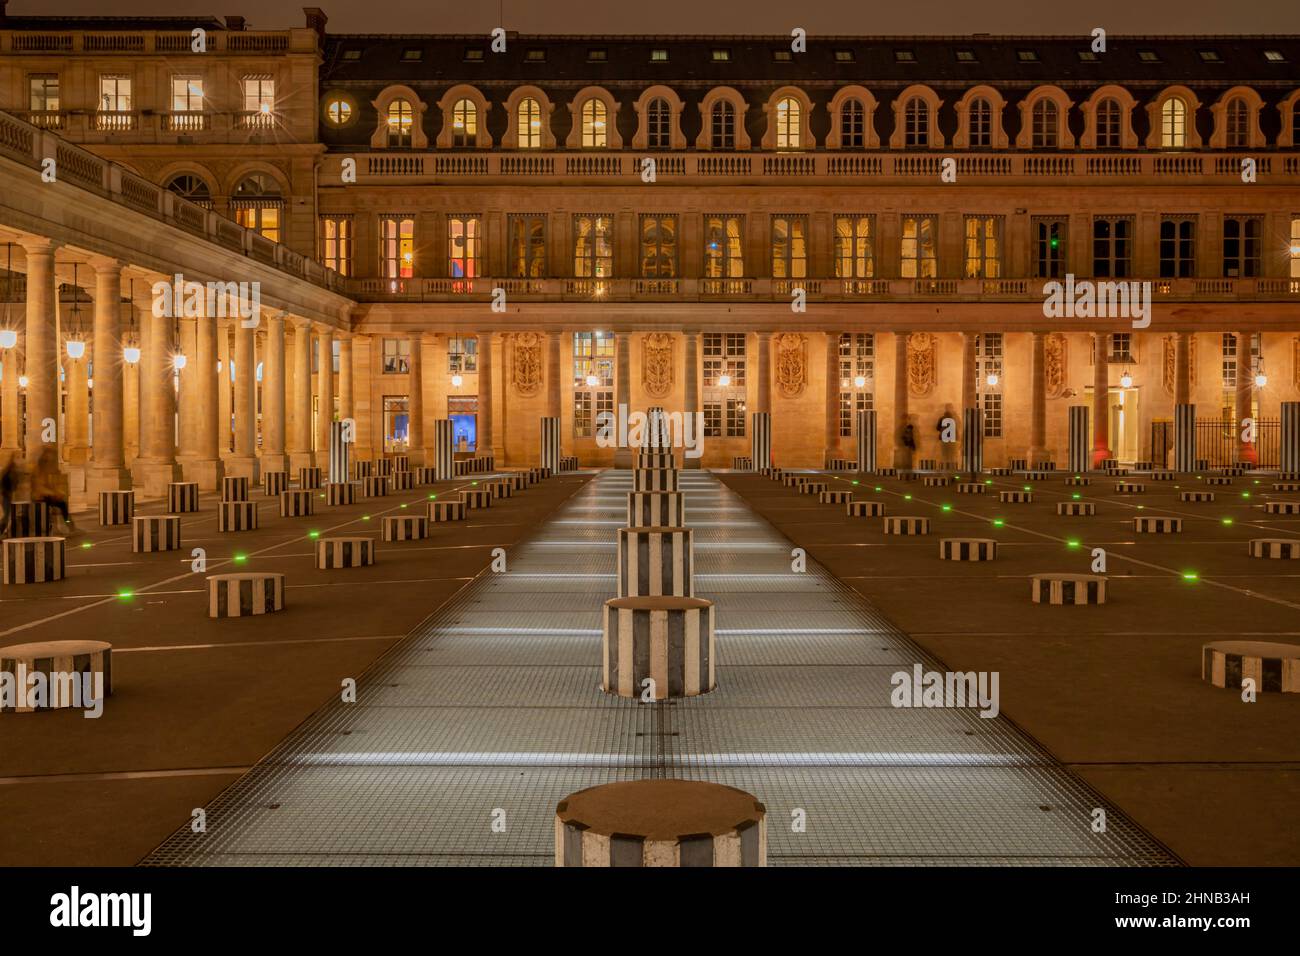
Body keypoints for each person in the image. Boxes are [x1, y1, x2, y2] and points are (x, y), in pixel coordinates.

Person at [31, 447, 75, 535]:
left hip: (46, 497)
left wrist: (57, 493)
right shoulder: (37, 471)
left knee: (62, 505)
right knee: (58, 506)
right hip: (39, 498)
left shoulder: (45, 472)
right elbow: (39, 488)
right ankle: (58, 527)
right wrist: (53, 493)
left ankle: (69, 525)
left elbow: (49, 486)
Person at [0, 453, 16, 538]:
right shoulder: (6, 474)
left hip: (7, 497)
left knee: (6, 517)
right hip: (6, 497)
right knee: (5, 517)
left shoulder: (7, 474)